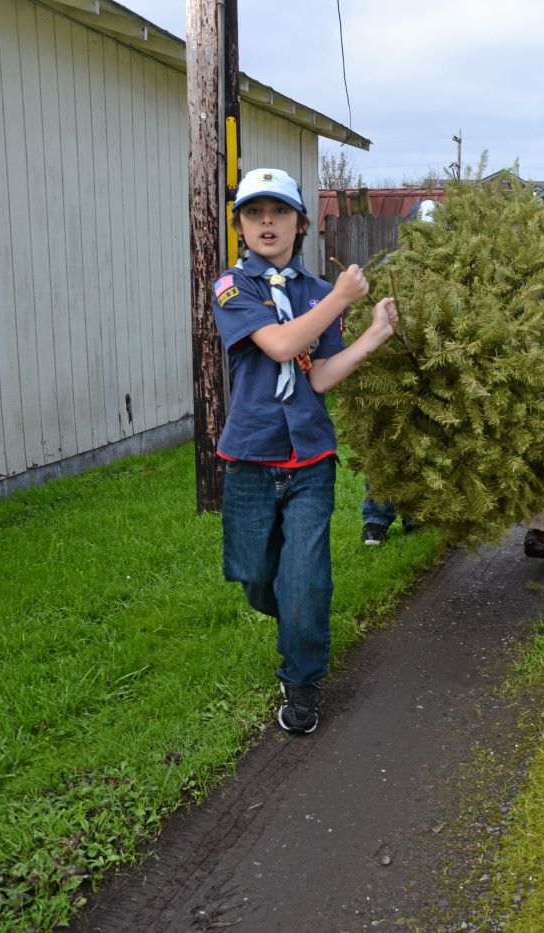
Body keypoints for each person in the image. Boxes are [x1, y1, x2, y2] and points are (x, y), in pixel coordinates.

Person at [213, 167, 398, 734]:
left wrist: (371, 335)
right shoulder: (232, 287)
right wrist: (342, 297)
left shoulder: (319, 293)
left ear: (300, 222)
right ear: (241, 225)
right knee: (254, 574)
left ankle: (301, 682)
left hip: (311, 460)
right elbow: (281, 344)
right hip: (250, 456)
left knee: (306, 578)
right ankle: (291, 615)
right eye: (254, 213)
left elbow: (316, 377)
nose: (266, 222)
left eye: (279, 212)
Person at [361, 199, 439, 546]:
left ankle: (414, 514)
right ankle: (376, 520)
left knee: (422, 443)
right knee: (385, 442)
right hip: (391, 368)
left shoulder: (446, 274)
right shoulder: (390, 270)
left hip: (431, 370)